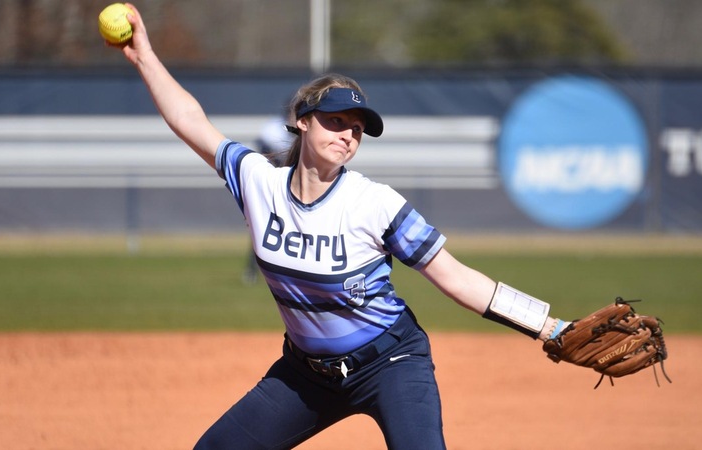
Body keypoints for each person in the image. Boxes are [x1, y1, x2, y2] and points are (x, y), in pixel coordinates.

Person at [109, 5, 570, 449]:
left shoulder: (374, 203)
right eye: (335, 121)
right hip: (306, 375)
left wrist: (550, 327)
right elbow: (190, 120)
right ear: (302, 122)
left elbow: (456, 277)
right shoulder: (258, 182)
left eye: (356, 128)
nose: (347, 134)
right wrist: (146, 56)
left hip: (391, 361)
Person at [242, 112, 294, 285]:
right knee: (263, 228)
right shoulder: (273, 129)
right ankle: (251, 271)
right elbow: (261, 156)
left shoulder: (308, 132)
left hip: (295, 187)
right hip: (273, 187)